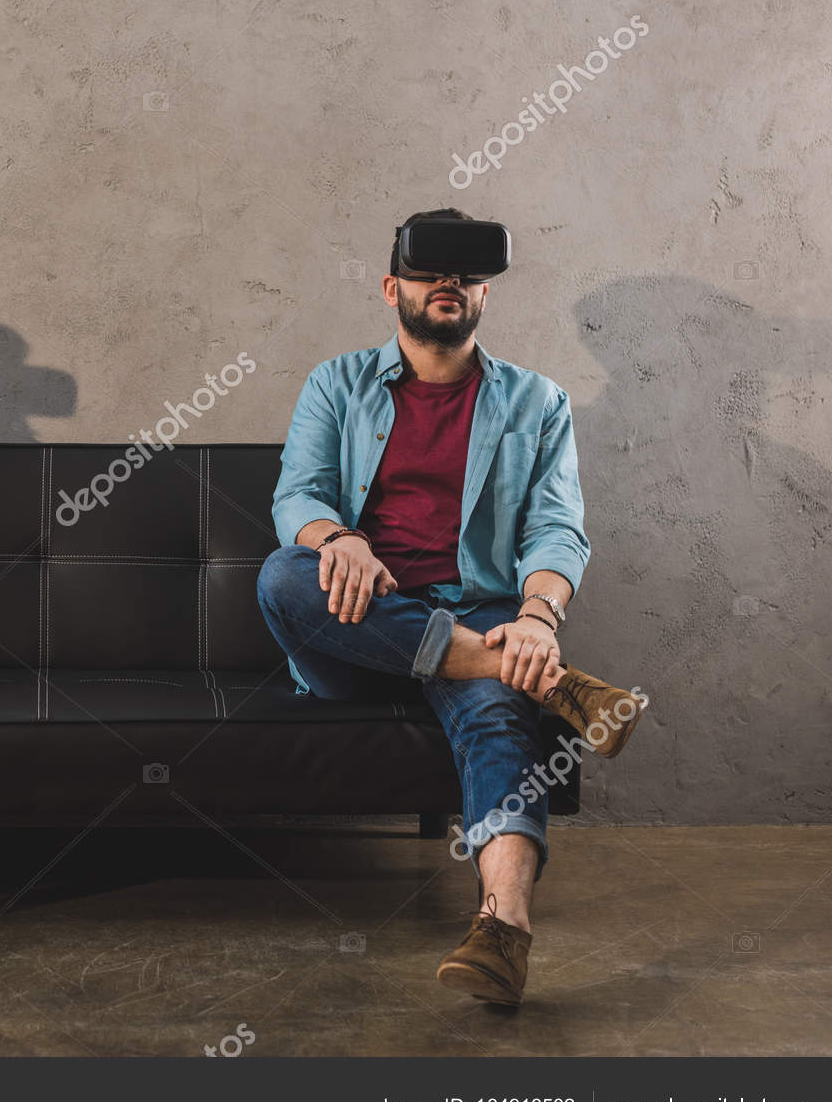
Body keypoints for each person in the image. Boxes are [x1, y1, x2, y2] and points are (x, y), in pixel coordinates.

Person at [256, 208, 647, 1007]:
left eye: (468, 276)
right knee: (283, 575)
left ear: (483, 295)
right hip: (362, 623)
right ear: (391, 286)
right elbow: (297, 493)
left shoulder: (538, 401)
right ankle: (531, 675)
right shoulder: (334, 383)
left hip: (483, 614)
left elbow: (557, 527)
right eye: (433, 273)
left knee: (497, 721)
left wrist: (538, 617)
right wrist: (339, 539)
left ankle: (503, 932)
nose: (451, 286)